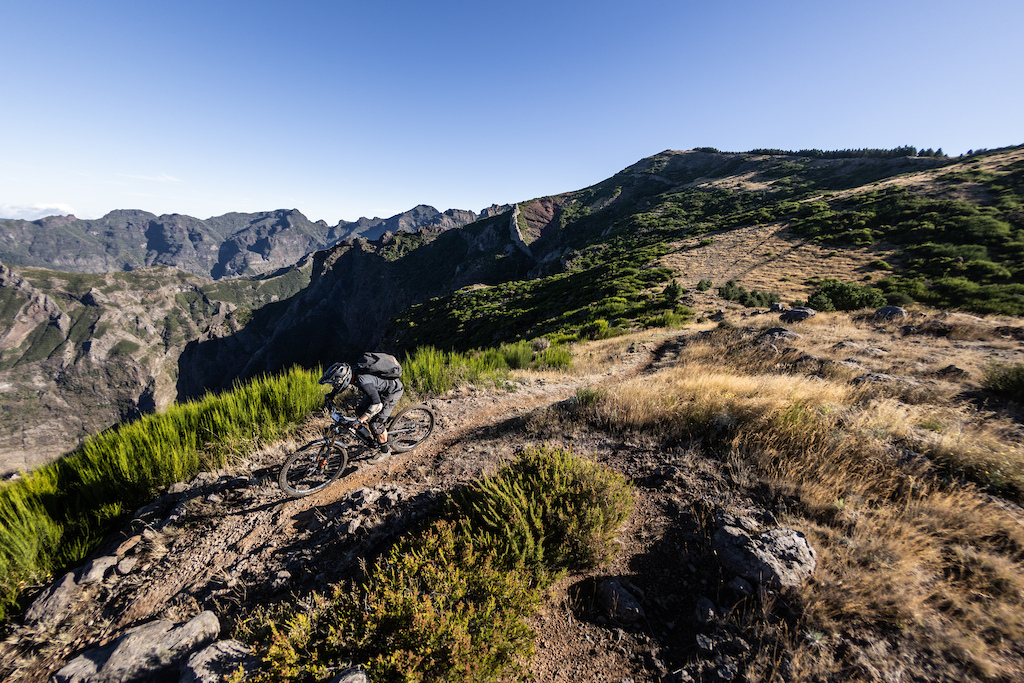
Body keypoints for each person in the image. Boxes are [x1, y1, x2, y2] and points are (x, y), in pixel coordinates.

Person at [319, 360, 404, 461]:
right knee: (360, 410)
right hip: (378, 390)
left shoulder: (362, 382)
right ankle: (373, 434)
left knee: (376, 424)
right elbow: (341, 384)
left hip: (391, 391)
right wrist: (332, 395)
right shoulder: (353, 373)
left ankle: (385, 451)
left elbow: (377, 404)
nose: (335, 386)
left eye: (336, 384)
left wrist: (360, 420)